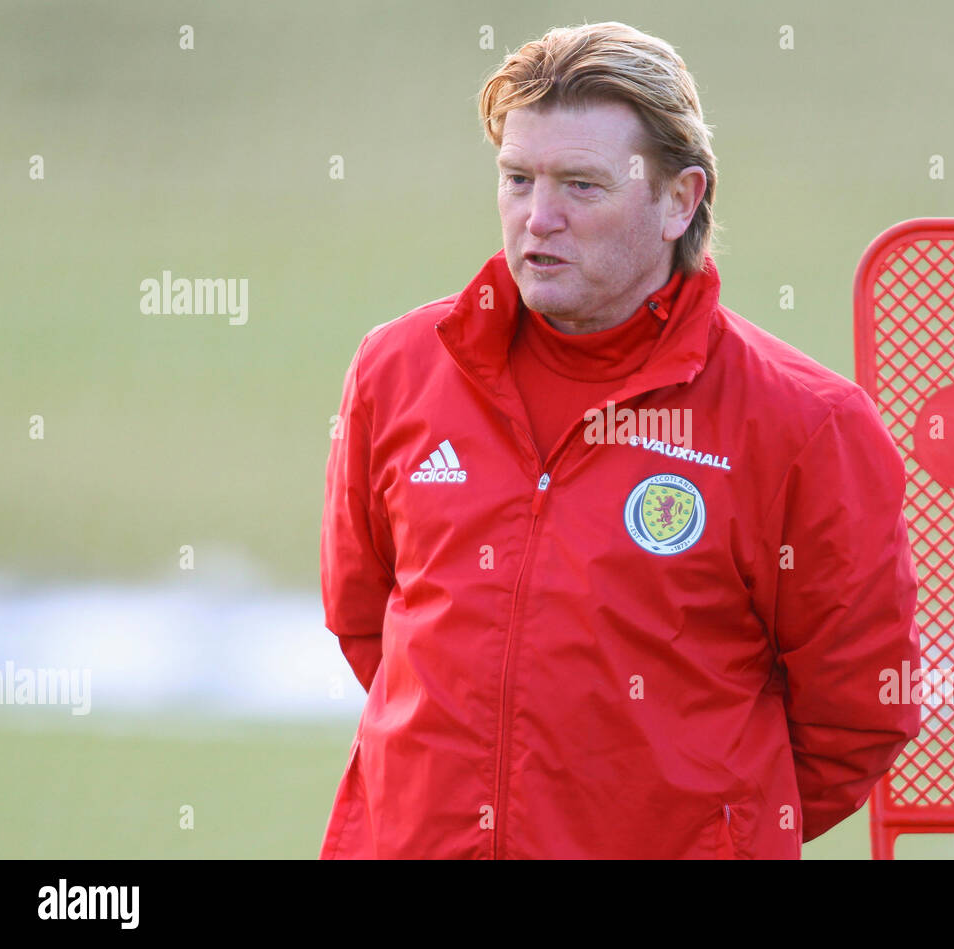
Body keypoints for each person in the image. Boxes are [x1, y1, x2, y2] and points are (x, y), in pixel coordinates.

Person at [319, 20, 921, 859]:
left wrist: (709, 833)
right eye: (518, 178)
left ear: (679, 200)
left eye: (581, 186)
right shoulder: (398, 368)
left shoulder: (806, 423)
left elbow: (858, 712)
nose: (539, 218)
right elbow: (367, 625)